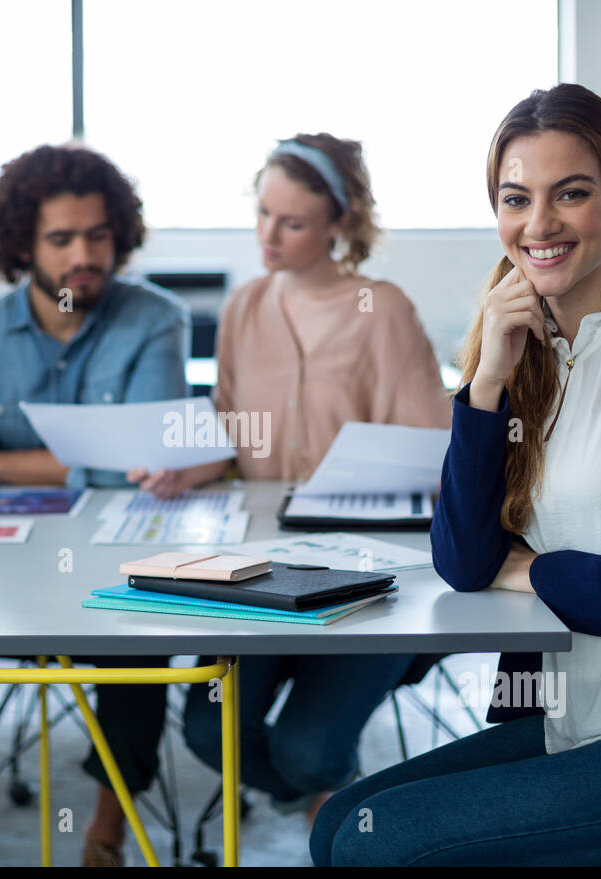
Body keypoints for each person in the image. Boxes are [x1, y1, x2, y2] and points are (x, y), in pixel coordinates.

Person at [310, 84, 601, 866]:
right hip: (565, 720)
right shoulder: (520, 352)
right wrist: (487, 382)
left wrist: (543, 572)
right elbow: (465, 564)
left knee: (383, 844)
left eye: (571, 194)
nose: (539, 225)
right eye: (516, 198)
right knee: (342, 824)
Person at [131, 133, 452, 826]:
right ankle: (323, 787)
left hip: (367, 570)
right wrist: (187, 463)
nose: (267, 235)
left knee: (308, 751)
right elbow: (230, 423)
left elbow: (433, 445)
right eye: (263, 213)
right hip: (261, 563)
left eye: (293, 222)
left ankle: (325, 782)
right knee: (206, 732)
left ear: (339, 224)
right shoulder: (245, 307)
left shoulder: (381, 309)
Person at [0, 142, 189, 866]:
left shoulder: (156, 321)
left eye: (99, 235)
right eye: (61, 239)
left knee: (144, 630)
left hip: (116, 555)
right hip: (0, 570)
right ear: (23, 245)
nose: (85, 254)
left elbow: (138, 460)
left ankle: (108, 828)